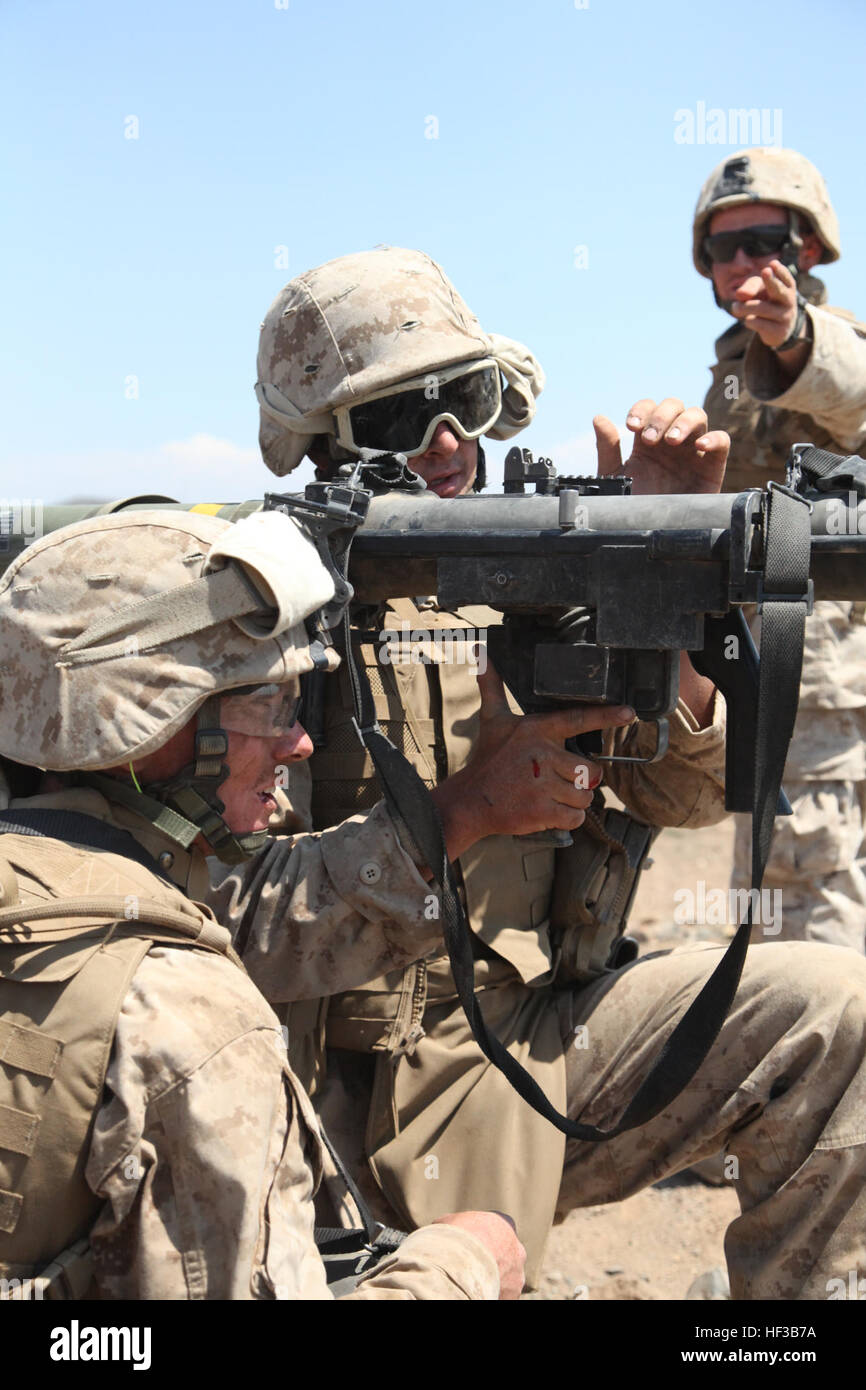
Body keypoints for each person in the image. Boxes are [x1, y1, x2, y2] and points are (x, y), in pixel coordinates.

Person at [245, 245, 866, 1297]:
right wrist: (452, 818)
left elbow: (683, 793)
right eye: (400, 416)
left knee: (833, 1015)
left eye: (466, 400)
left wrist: (661, 579)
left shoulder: (526, 579)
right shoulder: (263, 629)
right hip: (307, 1094)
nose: (446, 442)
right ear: (320, 439)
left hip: (515, 1047)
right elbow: (226, 922)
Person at [0, 503, 607, 1300]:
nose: (300, 743)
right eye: (268, 707)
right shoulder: (195, 1027)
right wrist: (462, 1264)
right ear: (145, 726)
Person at [695, 145, 866, 952]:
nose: (741, 263)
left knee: (819, 924)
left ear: (807, 249)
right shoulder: (727, 370)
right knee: (769, 907)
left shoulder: (832, 341)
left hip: (830, 687)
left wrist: (797, 335)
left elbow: (853, 389)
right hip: (769, 677)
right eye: (723, 247)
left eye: (761, 240)